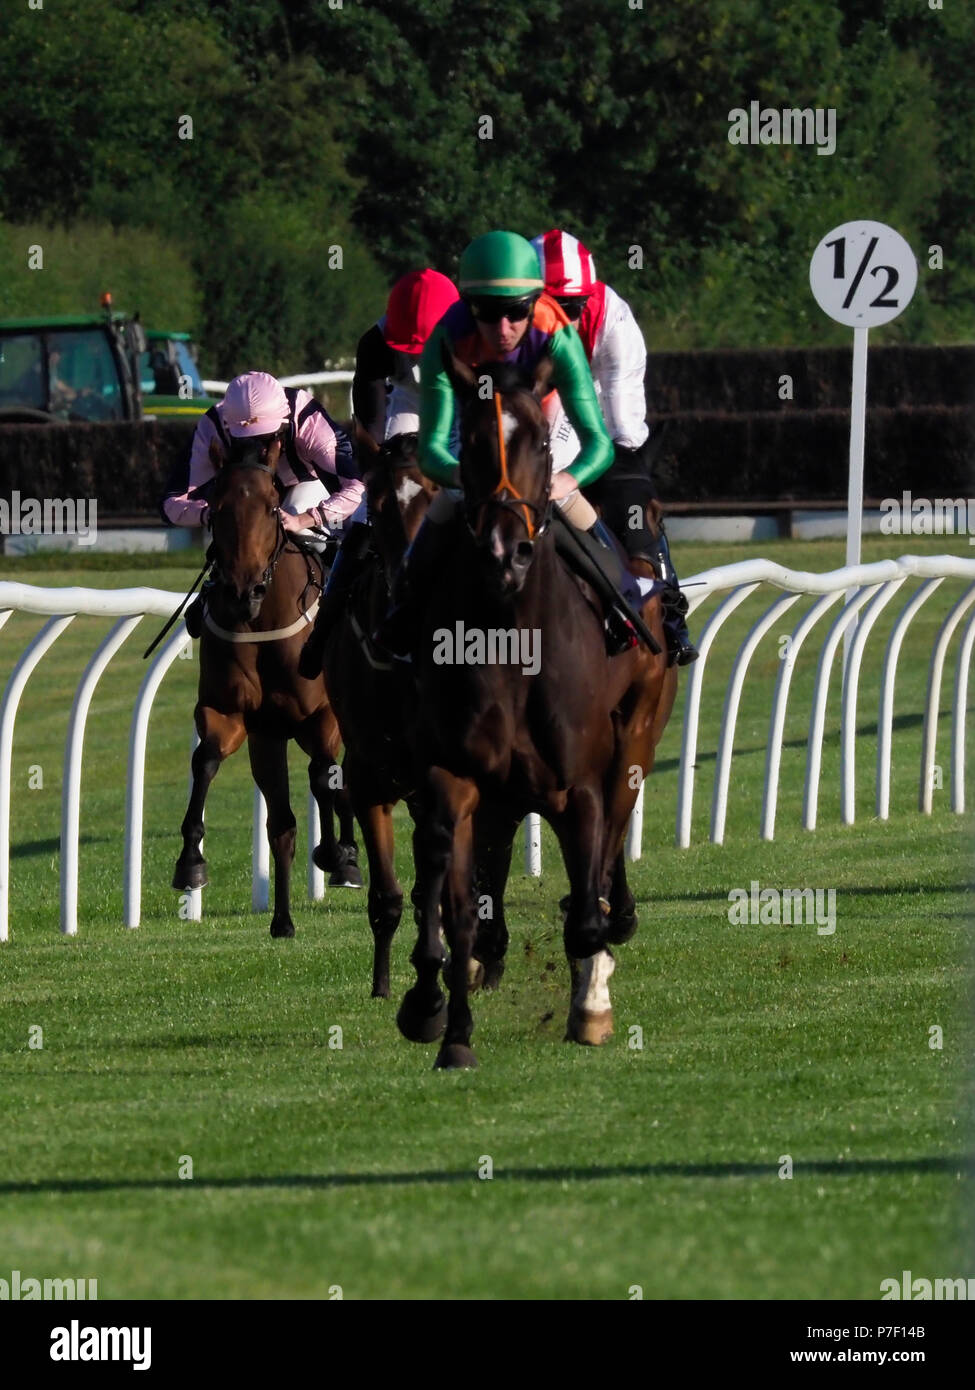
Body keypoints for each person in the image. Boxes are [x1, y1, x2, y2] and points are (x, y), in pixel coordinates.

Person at [376, 229, 651, 658]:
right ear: (468, 306)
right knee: (441, 514)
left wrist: (565, 481)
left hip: (542, 416)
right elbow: (432, 451)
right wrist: (465, 478)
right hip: (478, 428)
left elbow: (599, 443)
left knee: (559, 499)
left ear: (536, 302)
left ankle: (623, 603)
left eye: (516, 312)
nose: (502, 329)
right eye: (486, 313)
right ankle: (403, 614)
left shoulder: (557, 337)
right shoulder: (445, 341)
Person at [530, 228, 697, 665]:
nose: (563, 318)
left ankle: (671, 612)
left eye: (573, 307)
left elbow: (621, 426)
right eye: (552, 306)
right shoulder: (506, 322)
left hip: (599, 421)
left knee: (632, 502)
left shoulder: (612, 319)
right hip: (533, 430)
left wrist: (575, 468)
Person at [161, 370, 363, 636]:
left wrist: (305, 519)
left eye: (265, 437)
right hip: (246, 496)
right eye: (245, 440)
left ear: (284, 421)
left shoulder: (309, 420)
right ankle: (215, 586)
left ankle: (340, 594)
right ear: (228, 426)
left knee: (301, 527)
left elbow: (358, 489)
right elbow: (171, 505)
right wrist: (209, 514)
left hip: (305, 484)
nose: (258, 447)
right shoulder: (212, 426)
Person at [352, 268, 459, 443]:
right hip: (409, 396)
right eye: (409, 351)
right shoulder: (374, 345)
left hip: (460, 399)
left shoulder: (472, 336)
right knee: (394, 458)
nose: (416, 358)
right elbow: (371, 422)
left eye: (423, 349)